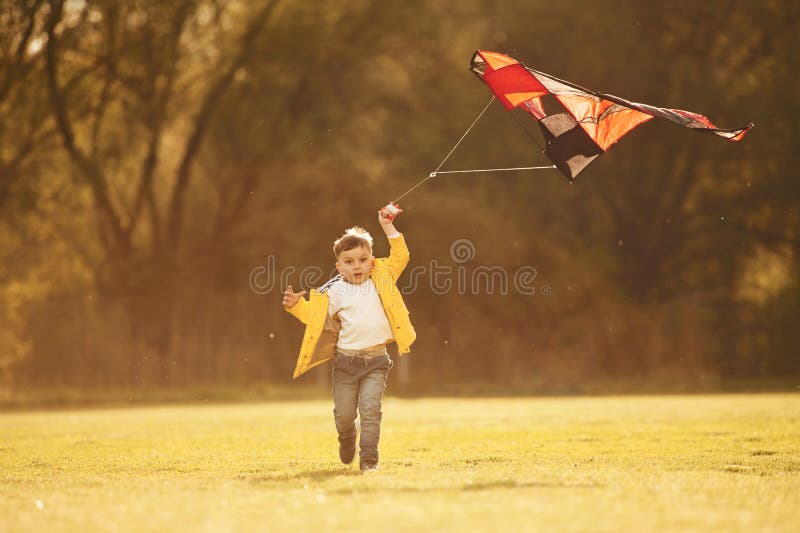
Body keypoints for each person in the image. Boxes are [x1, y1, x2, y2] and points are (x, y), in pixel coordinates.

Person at [282, 206, 416, 473]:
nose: (357, 266)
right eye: (350, 261)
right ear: (339, 266)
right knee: (344, 415)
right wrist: (295, 306)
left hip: (376, 361)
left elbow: (401, 255)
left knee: (370, 410)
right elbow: (314, 317)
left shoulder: (383, 276)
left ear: (372, 260)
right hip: (345, 363)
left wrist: (387, 225)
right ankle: (346, 436)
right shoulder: (335, 291)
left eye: (363, 259)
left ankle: (369, 461)